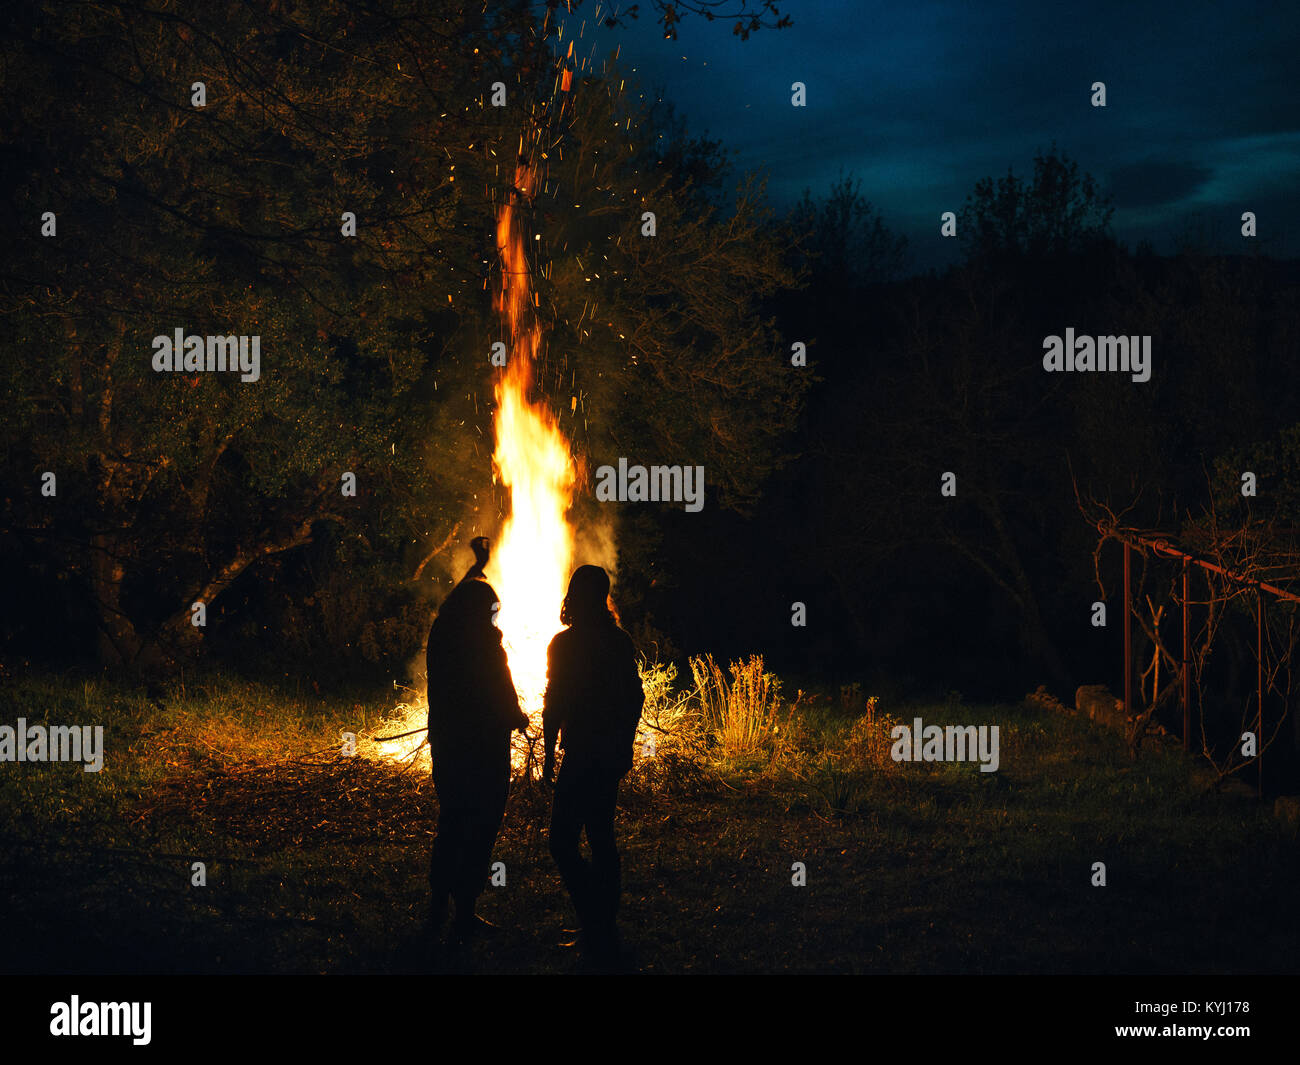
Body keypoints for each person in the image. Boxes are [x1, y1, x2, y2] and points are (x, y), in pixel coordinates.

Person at [425, 537, 528, 944]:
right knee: (482, 825)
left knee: (451, 820)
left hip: (447, 745)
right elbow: (501, 690)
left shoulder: (443, 632)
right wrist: (518, 717)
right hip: (484, 749)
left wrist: (477, 566)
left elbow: (456, 601)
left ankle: (437, 905)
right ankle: (465, 911)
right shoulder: (486, 643)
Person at [542, 565, 644, 967]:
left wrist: (550, 753)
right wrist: (625, 744)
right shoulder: (618, 642)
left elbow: (554, 703)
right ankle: (602, 926)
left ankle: (595, 921)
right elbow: (634, 698)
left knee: (562, 842)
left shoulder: (564, 645)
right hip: (605, 753)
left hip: (583, 753)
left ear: (573, 595)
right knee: (601, 837)